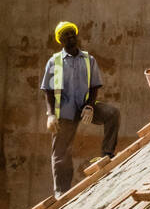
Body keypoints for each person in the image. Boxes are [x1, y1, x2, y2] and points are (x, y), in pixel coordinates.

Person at [41, 21, 120, 195]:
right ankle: (61, 192)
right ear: (60, 40)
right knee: (61, 153)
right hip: (65, 112)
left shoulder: (88, 59)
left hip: (85, 107)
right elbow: (48, 90)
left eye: (72, 34)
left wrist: (90, 107)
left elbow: (94, 87)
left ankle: (107, 154)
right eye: (65, 35)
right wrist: (50, 115)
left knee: (112, 113)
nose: (70, 37)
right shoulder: (54, 61)